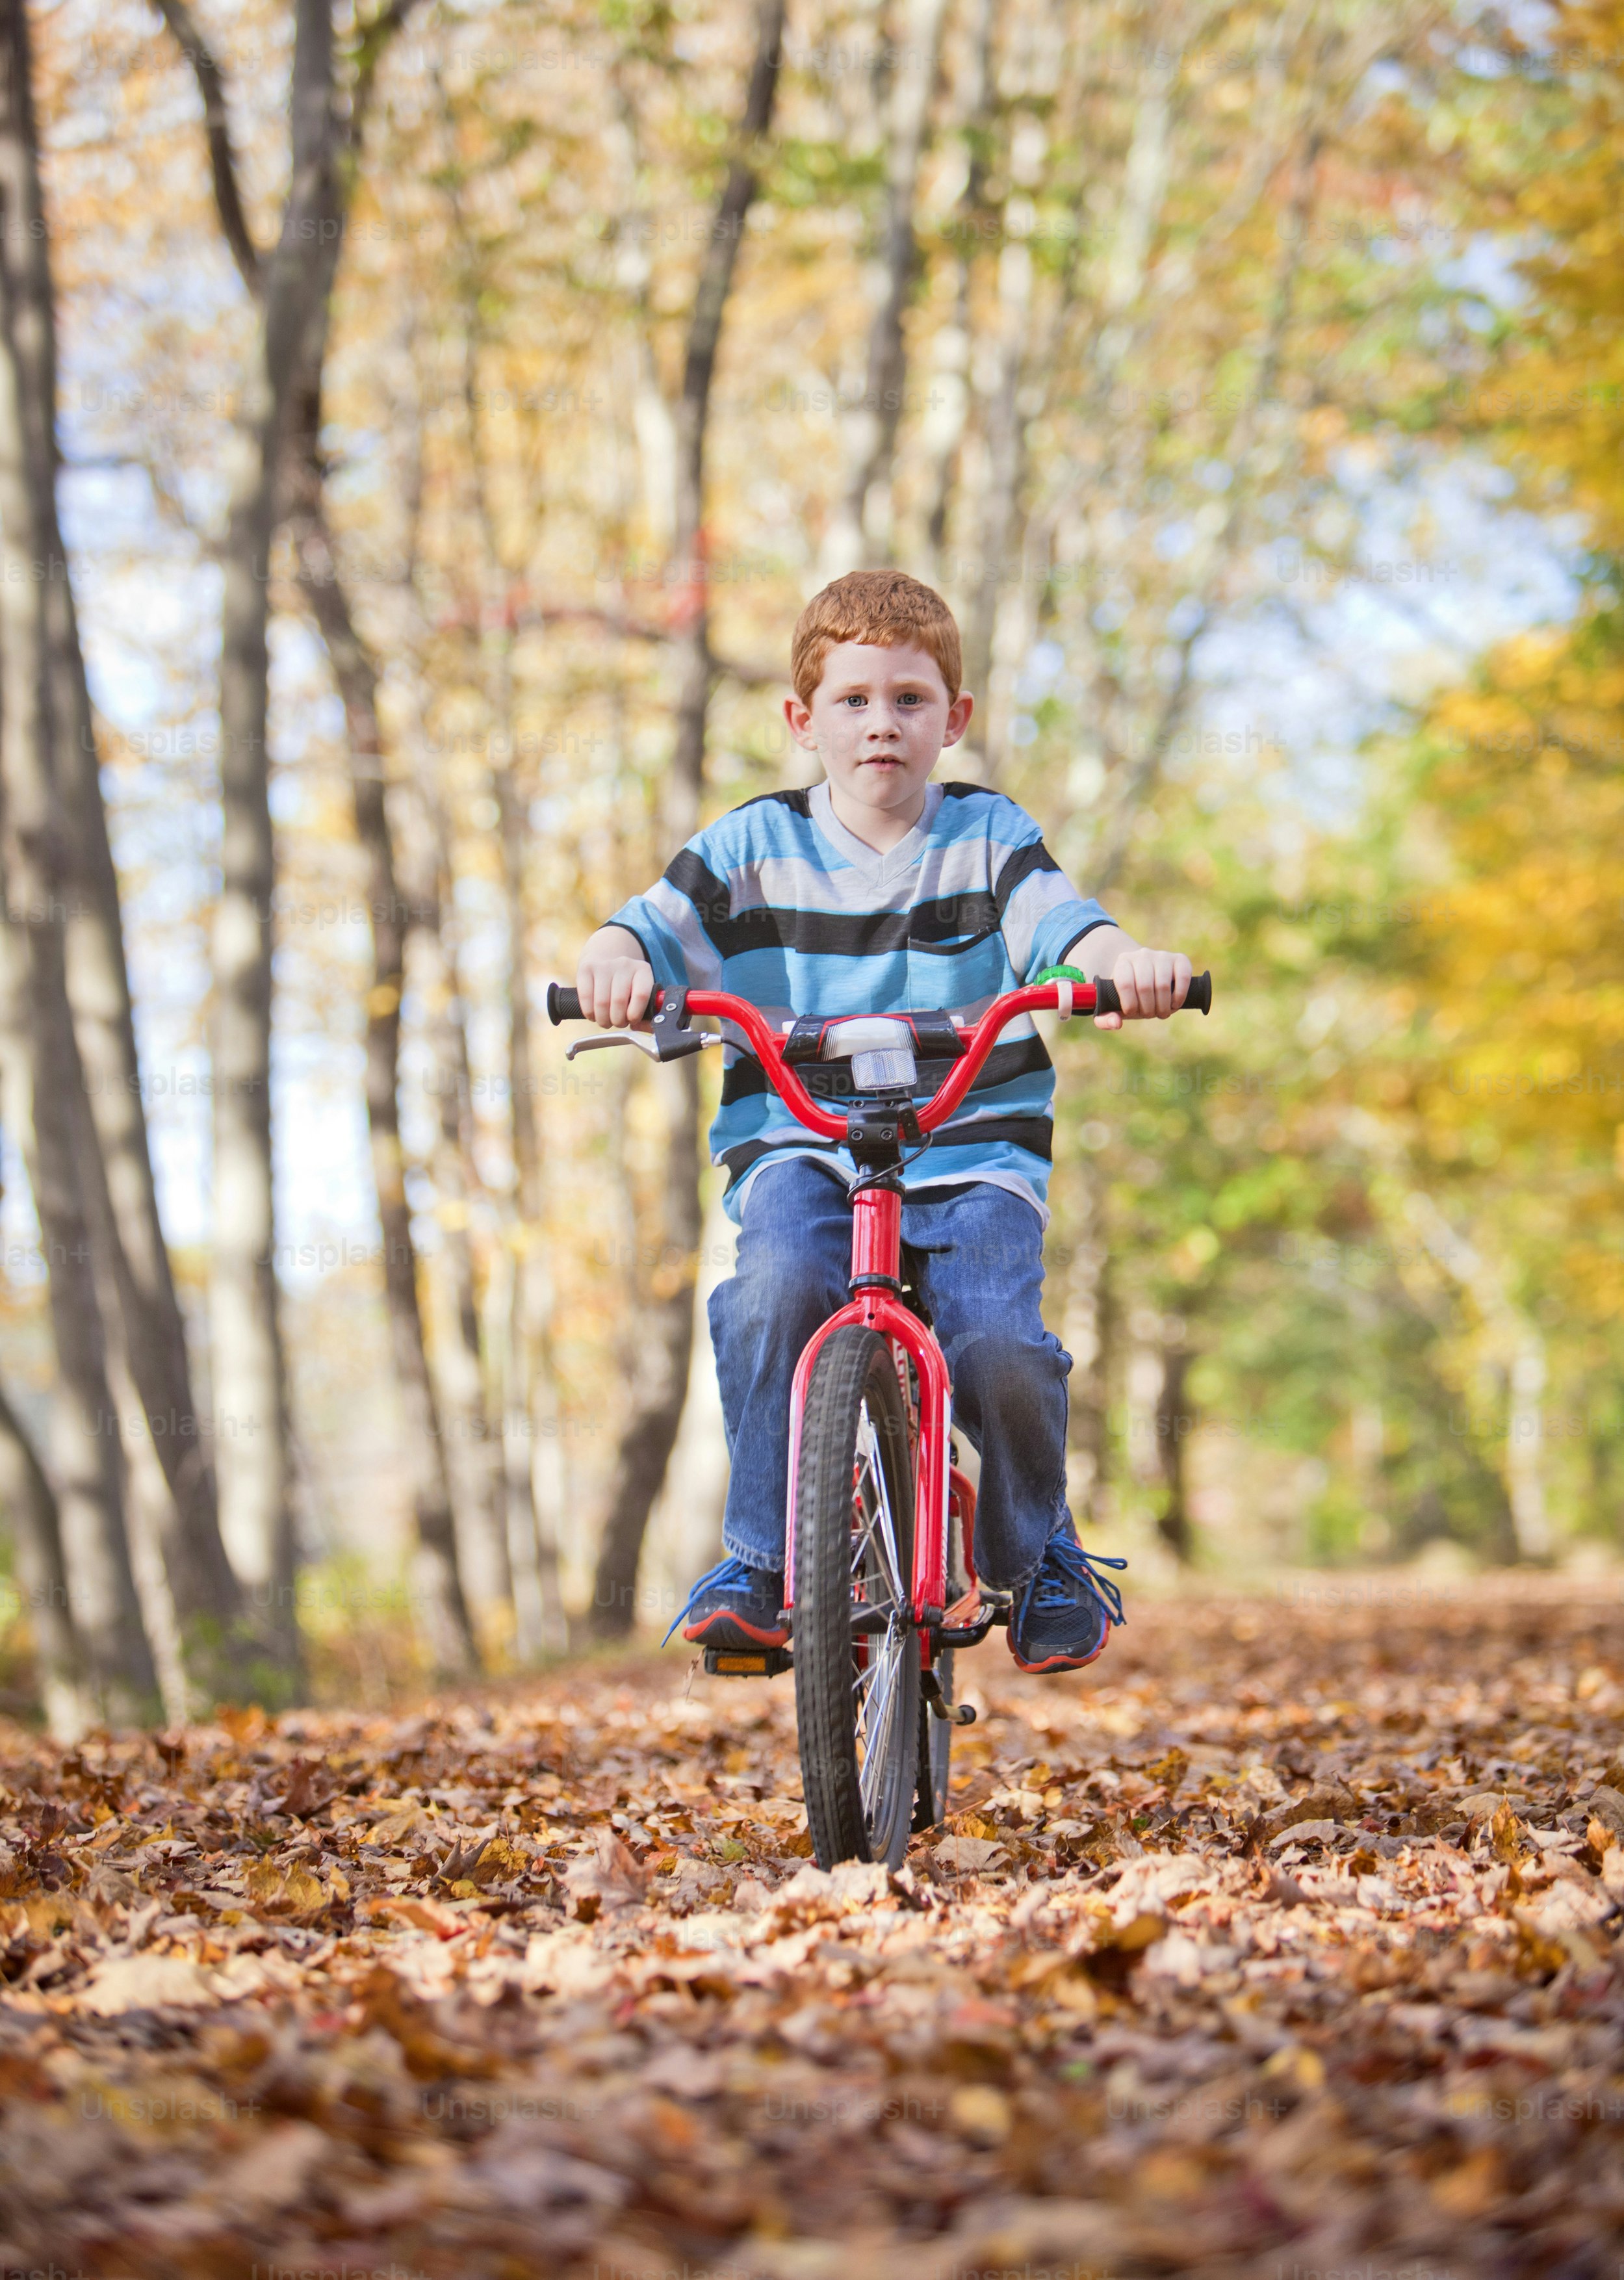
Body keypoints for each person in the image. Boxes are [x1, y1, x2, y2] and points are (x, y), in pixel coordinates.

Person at [574, 569, 1192, 1672]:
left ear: (952, 719)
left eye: (910, 700)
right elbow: (639, 932)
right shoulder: (749, 847)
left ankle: (1039, 1553)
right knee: (771, 1292)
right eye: (853, 700)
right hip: (801, 1144)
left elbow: (1065, 928)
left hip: (970, 1150)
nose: (882, 725)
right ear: (803, 721)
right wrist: (613, 970)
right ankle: (763, 1563)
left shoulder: (986, 836)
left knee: (999, 1339)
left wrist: (1123, 967)